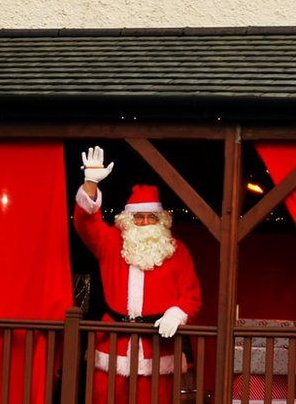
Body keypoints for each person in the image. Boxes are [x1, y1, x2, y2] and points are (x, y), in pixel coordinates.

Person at [74, 146, 202, 403]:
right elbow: (86, 224)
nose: (144, 223)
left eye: (150, 217)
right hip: (113, 345)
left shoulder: (176, 251)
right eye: (138, 217)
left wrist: (176, 314)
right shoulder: (111, 242)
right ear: (127, 220)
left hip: (158, 349)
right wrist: (90, 184)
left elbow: (192, 297)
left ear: (161, 220)